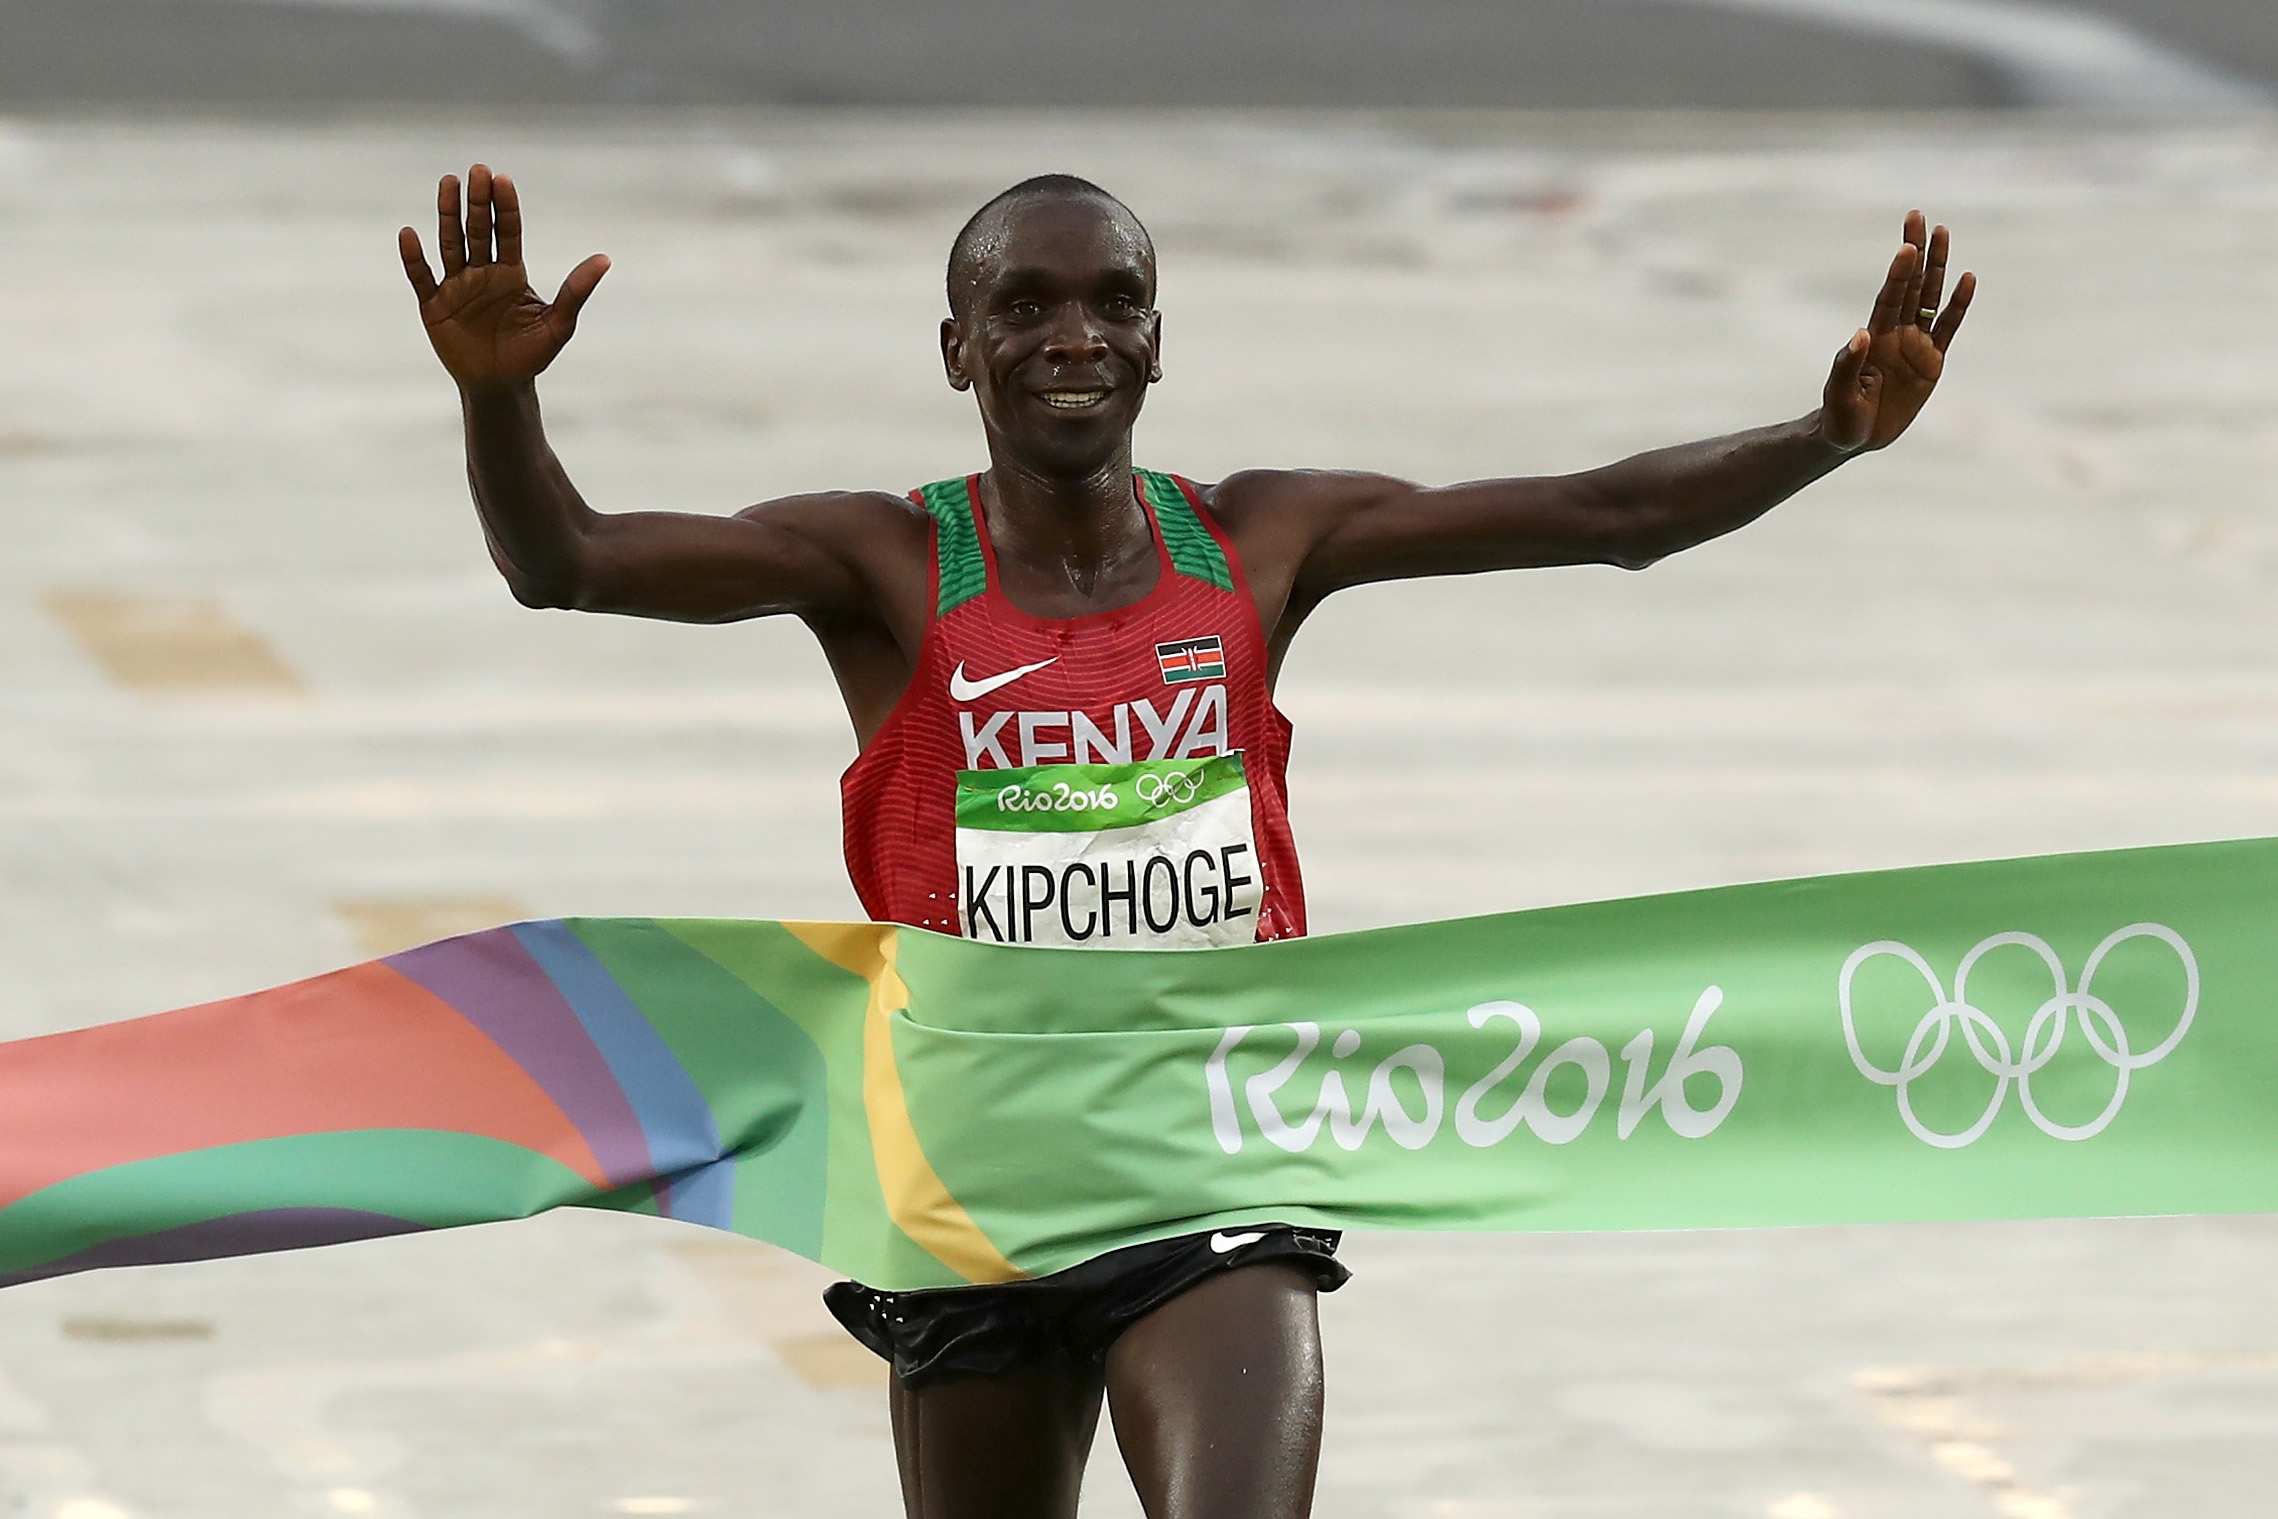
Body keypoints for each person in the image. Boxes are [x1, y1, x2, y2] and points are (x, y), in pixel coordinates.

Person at [397, 164, 1974, 1519]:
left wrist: (1822, 434)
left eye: (1112, 302)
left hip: (1207, 1144)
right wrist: (498, 395)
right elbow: (572, 562)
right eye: (1022, 306)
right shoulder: (880, 560)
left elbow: (1600, 513)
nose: (1072, 336)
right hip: (972, 1165)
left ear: (1157, 336)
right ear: (957, 349)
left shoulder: (1261, 538)